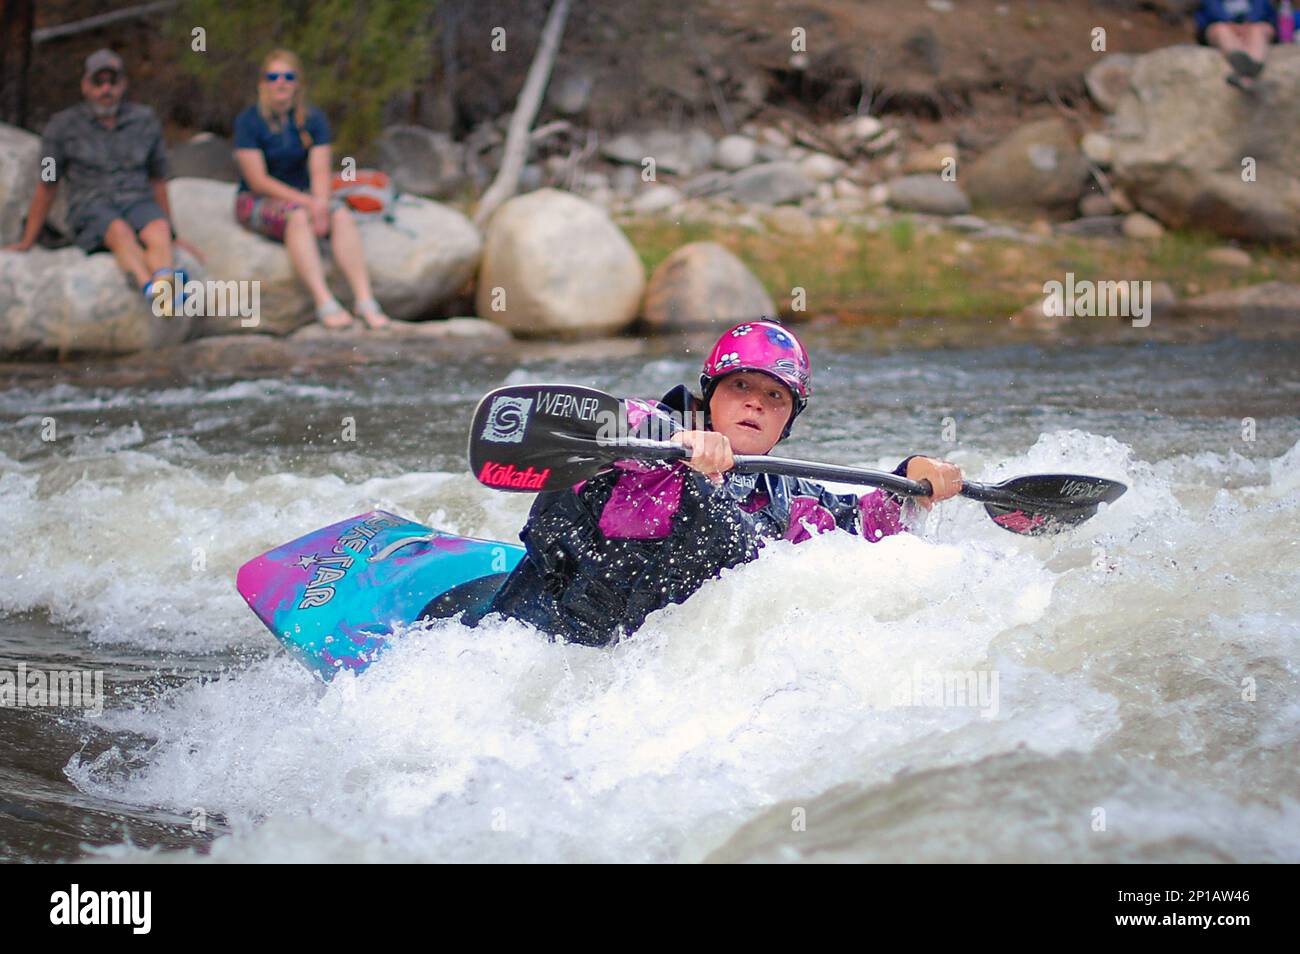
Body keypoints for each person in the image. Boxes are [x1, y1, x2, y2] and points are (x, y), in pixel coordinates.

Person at [470, 319, 963, 646]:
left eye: (775, 396)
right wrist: (681, 442)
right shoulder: (645, 443)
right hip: (536, 635)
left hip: (638, 670)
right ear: (710, 398)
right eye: (740, 386)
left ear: (787, 422)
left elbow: (863, 526)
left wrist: (914, 480)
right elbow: (620, 419)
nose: (755, 403)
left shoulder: (789, 499)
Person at [4, 49, 187, 304]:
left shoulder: (144, 121)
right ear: (85, 86)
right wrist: (27, 241)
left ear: (123, 85)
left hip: (137, 200)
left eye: (112, 82)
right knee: (118, 231)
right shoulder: (61, 126)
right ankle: (150, 289)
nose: (106, 90)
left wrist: (173, 235)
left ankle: (165, 280)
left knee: (157, 229)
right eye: (98, 82)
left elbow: (158, 179)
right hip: (91, 206)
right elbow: (47, 184)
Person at [232, 49, 390, 330]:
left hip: (304, 195)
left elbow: (320, 171)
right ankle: (323, 301)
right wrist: (307, 203)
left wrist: (320, 202)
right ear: (263, 83)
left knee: (340, 214)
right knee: (298, 217)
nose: (281, 83)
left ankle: (365, 300)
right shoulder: (249, 122)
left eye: (288, 77)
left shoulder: (312, 120)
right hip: (259, 199)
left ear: (297, 84)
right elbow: (258, 180)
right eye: (273, 77)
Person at [1195, 0, 1278, 91]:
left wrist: (1249, 23)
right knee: (1221, 29)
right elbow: (1211, 9)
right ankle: (1246, 71)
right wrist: (1229, 22)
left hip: (1254, 25)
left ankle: (1249, 71)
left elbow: (1262, 8)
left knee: (1258, 30)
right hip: (1223, 26)